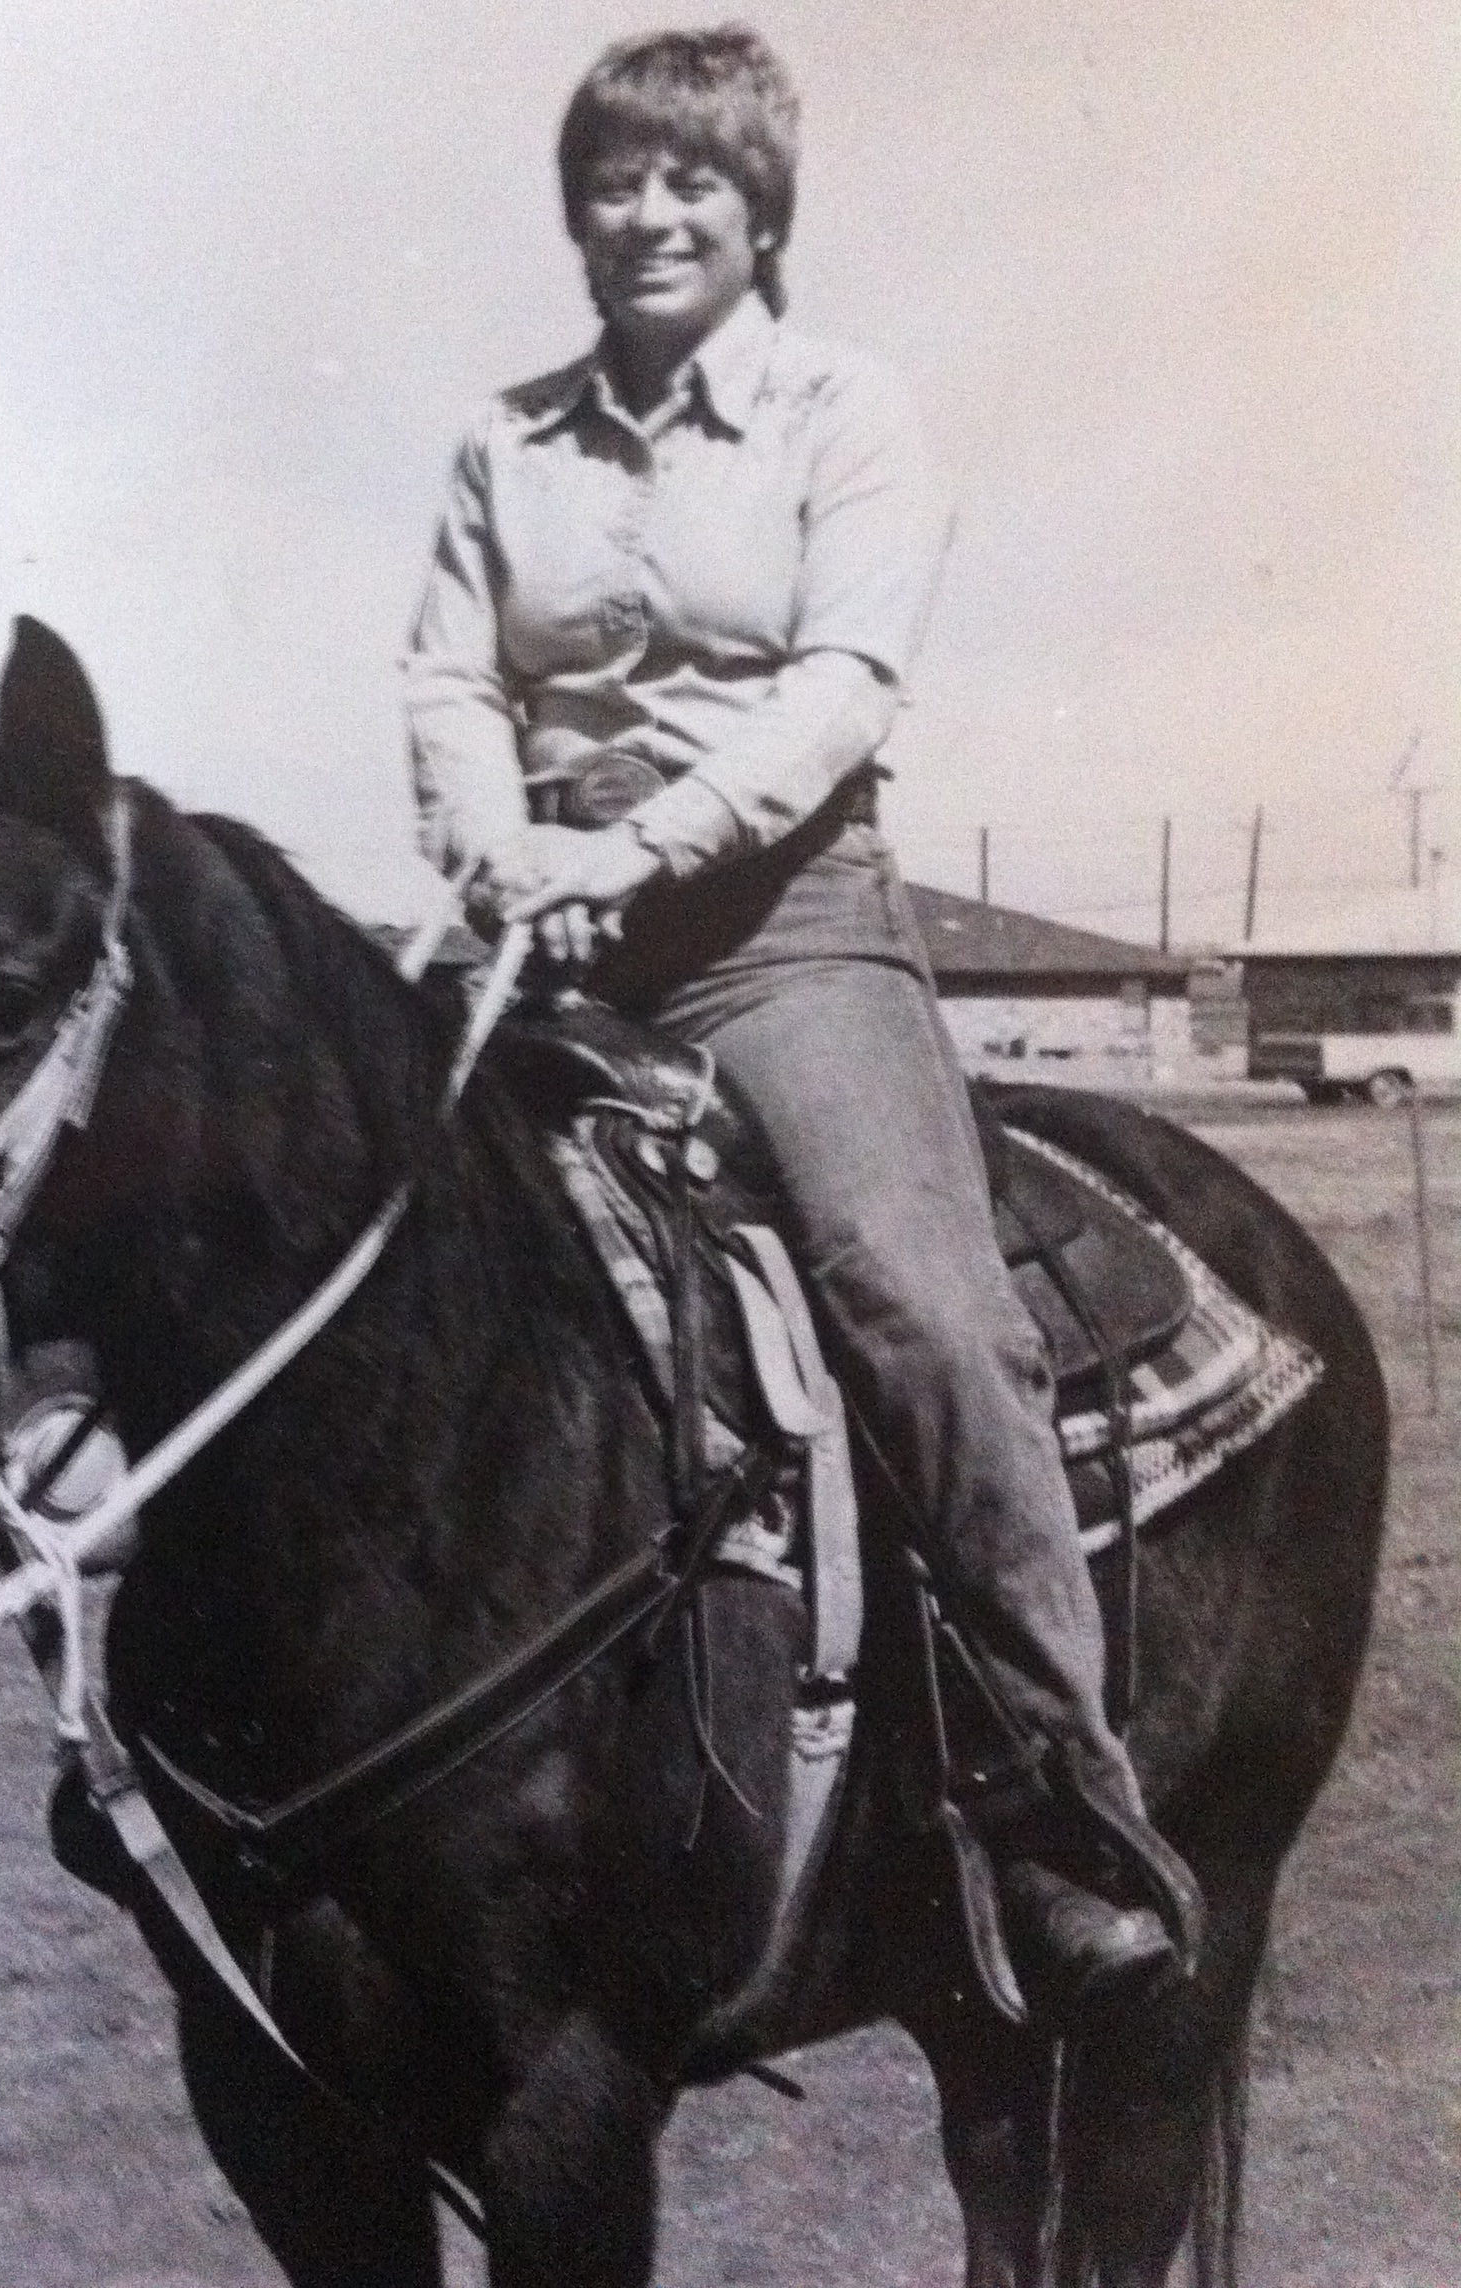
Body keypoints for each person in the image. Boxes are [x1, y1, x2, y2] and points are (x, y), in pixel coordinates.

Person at [402, 24, 1200, 2021]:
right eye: (614, 182)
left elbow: (840, 686)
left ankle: (1063, 1820)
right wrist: (502, 850)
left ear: (763, 214)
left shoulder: (854, 414)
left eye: (694, 183)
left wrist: (641, 843)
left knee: (928, 1311)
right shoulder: (503, 445)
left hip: (781, 931)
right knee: (316, 1211)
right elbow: (444, 685)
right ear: (576, 217)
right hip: (543, 921)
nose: (650, 214)